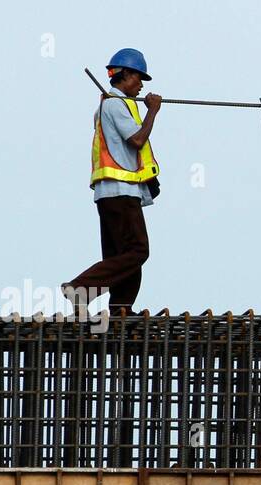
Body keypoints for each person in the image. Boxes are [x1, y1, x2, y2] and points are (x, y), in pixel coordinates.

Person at [63, 48, 162, 318]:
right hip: (120, 192)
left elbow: (127, 152)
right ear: (125, 74)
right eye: (138, 78)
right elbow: (137, 140)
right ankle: (81, 288)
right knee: (137, 250)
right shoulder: (115, 104)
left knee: (121, 253)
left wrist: (149, 181)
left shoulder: (110, 105)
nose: (141, 85)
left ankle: (121, 307)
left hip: (113, 191)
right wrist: (153, 111)